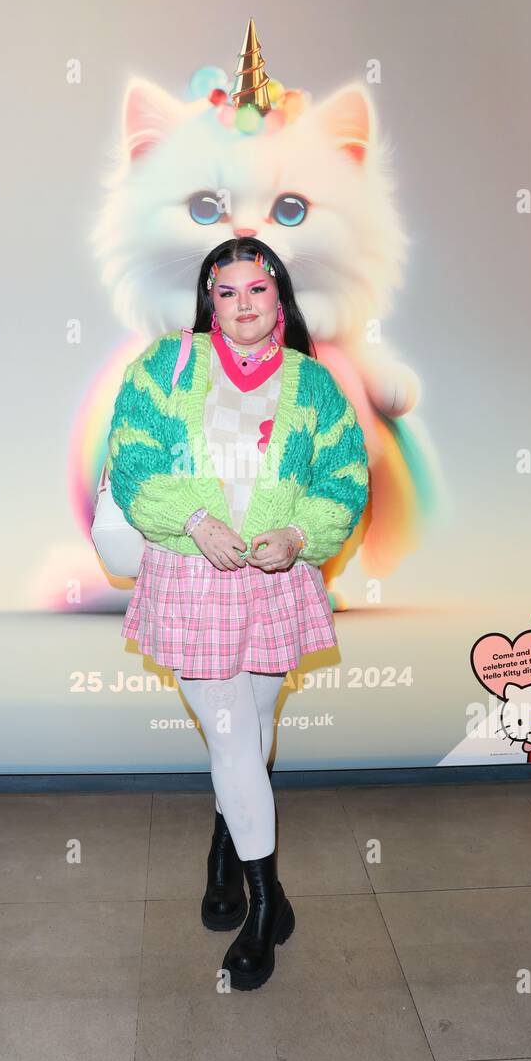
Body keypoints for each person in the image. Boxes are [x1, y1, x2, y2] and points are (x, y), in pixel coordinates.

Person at [104, 237, 369, 990]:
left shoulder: (313, 386)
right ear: (209, 299)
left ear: (279, 298)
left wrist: (297, 535)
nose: (244, 304)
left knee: (249, 739)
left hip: (274, 582)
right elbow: (132, 462)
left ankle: (224, 850)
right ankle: (265, 907)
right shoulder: (165, 367)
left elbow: (344, 481)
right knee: (234, 740)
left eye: (259, 290)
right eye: (228, 292)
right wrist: (194, 520)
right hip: (192, 579)